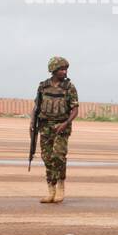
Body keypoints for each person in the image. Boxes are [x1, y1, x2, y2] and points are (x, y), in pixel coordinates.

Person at [33, 57, 78, 204]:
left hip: (61, 127)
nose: (64, 72)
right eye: (61, 69)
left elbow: (75, 109)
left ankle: (60, 186)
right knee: (47, 158)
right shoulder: (43, 86)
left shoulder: (69, 87)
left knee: (59, 156)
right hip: (45, 127)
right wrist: (32, 124)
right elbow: (37, 107)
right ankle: (50, 190)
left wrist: (66, 123)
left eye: (66, 69)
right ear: (53, 70)